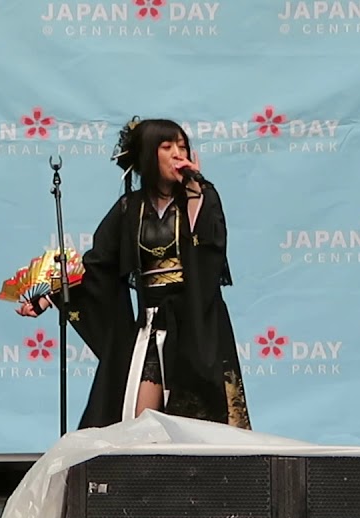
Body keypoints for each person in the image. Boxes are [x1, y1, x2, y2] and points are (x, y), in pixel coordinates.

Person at [18, 117, 251, 429]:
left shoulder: (201, 197)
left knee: (200, 424)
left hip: (197, 323)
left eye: (182, 146)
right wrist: (48, 297)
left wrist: (194, 184)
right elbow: (96, 264)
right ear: (147, 155)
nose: (177, 154)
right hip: (153, 324)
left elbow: (207, 247)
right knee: (141, 422)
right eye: (167, 147)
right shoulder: (130, 208)